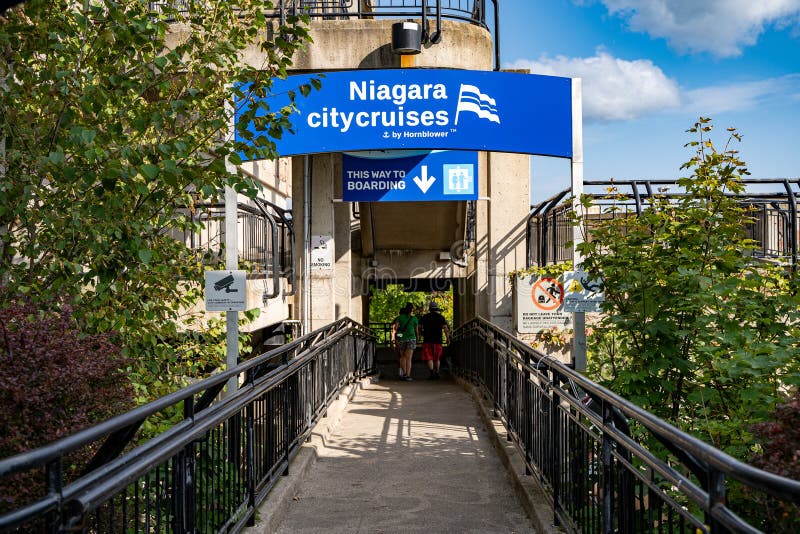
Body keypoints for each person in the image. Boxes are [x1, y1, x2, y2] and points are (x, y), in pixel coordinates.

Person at [417, 301, 450, 380]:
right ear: (436, 309)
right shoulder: (441, 317)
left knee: (429, 358)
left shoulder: (425, 317)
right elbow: (445, 328)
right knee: (437, 358)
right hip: (438, 340)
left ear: (430, 309)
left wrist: (421, 333)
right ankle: (437, 373)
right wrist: (447, 338)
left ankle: (431, 373)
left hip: (427, 340)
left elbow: (419, 327)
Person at [391, 303, 418, 381]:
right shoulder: (414, 318)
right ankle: (408, 375)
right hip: (411, 338)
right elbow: (416, 331)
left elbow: (395, 328)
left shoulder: (399, 318)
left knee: (402, 357)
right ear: (412, 310)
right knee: (409, 358)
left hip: (402, 339)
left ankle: (404, 373)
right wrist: (417, 338)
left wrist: (395, 338)